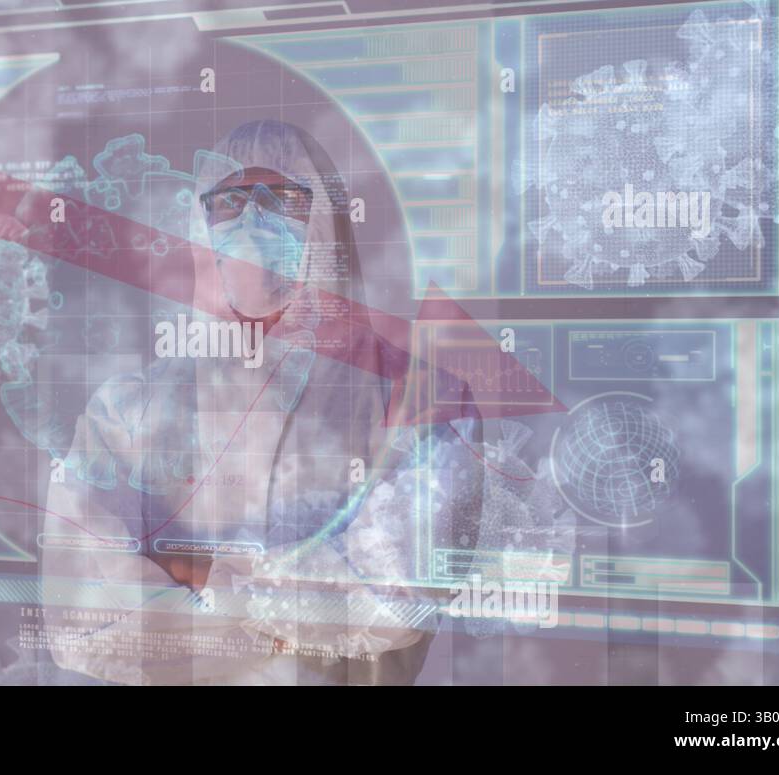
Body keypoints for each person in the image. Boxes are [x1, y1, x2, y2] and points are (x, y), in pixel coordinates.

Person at [39, 120, 477, 685]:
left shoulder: (423, 399)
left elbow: (396, 597)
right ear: (200, 222)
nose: (254, 220)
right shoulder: (126, 410)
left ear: (327, 222)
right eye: (230, 202)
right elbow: (82, 624)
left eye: (284, 199)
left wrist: (197, 575)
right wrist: (288, 605)